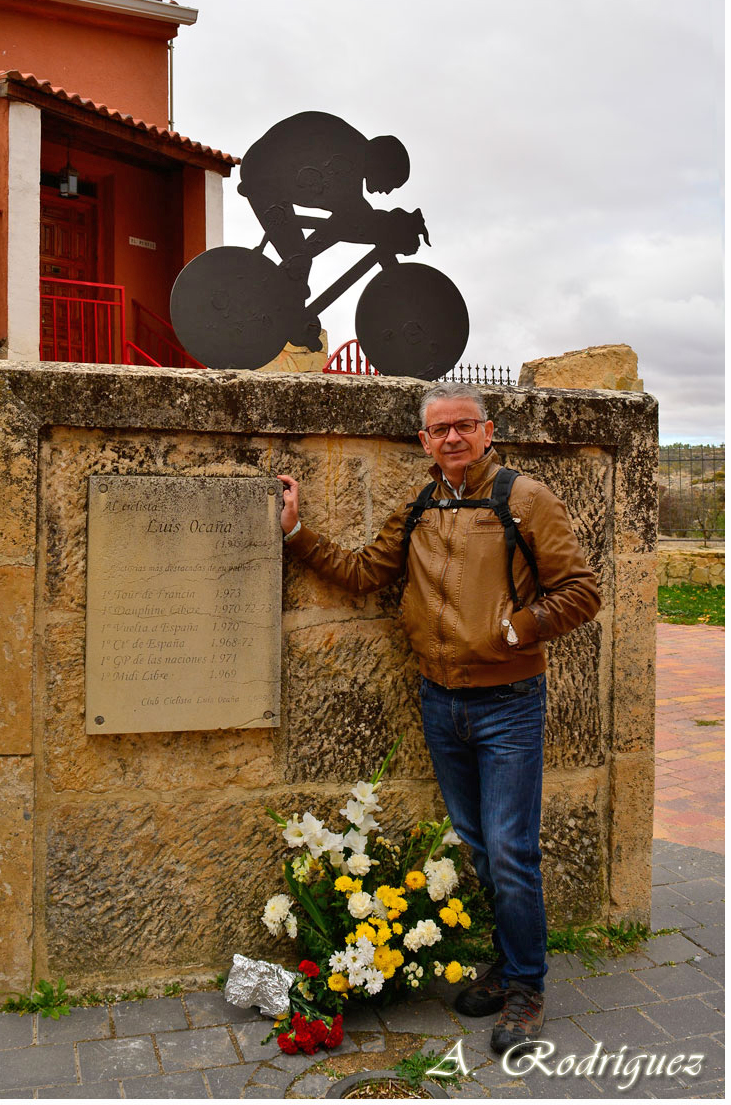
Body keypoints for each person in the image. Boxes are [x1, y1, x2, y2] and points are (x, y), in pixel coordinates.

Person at [277, 382, 600, 1054]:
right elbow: (367, 571)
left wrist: (514, 631)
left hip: (509, 702)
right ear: (424, 442)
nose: (452, 438)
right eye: (438, 430)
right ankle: (508, 969)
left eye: (464, 426)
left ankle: (529, 989)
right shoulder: (421, 503)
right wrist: (297, 533)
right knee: (480, 848)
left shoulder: (524, 498)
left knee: (512, 853)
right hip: (439, 700)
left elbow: (582, 590)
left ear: (489, 432)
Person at [237, 111, 427, 348]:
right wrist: (391, 226)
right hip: (263, 180)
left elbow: (348, 222)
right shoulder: (347, 164)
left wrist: (386, 225)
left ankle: (293, 319)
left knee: (300, 257)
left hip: (271, 174)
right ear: (382, 165)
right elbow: (353, 220)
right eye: (392, 183)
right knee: (298, 258)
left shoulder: (352, 158)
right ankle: (288, 321)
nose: (387, 192)